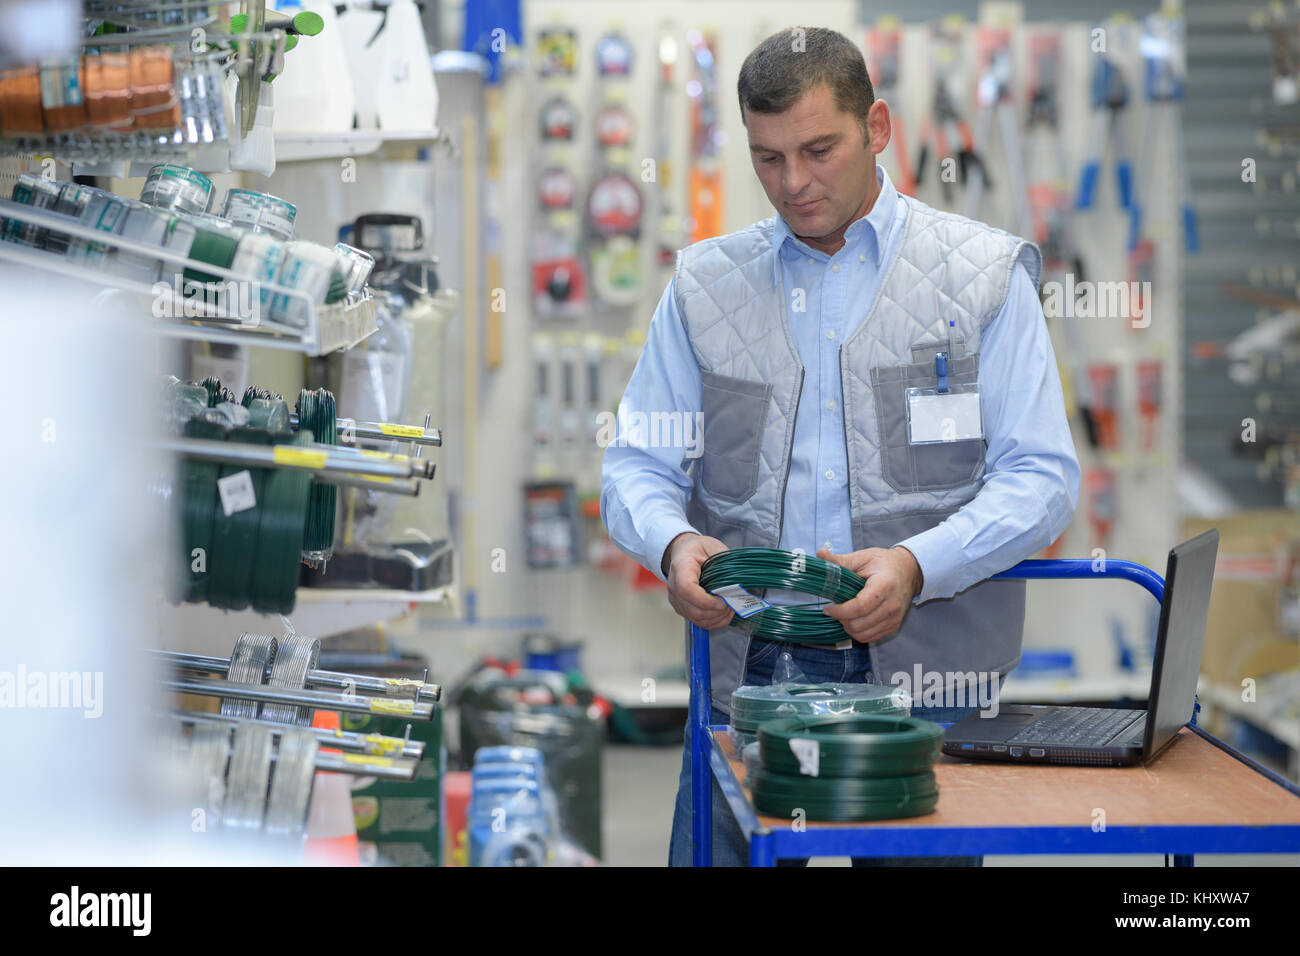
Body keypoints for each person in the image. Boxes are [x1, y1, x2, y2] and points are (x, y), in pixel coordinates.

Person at [600, 26, 1080, 867]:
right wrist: (672, 543)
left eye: (819, 149)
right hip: (749, 666)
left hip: (927, 675)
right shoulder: (704, 287)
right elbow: (638, 463)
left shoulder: (982, 276)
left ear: (879, 127)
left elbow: (1040, 478)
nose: (794, 183)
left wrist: (916, 566)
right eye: (768, 158)